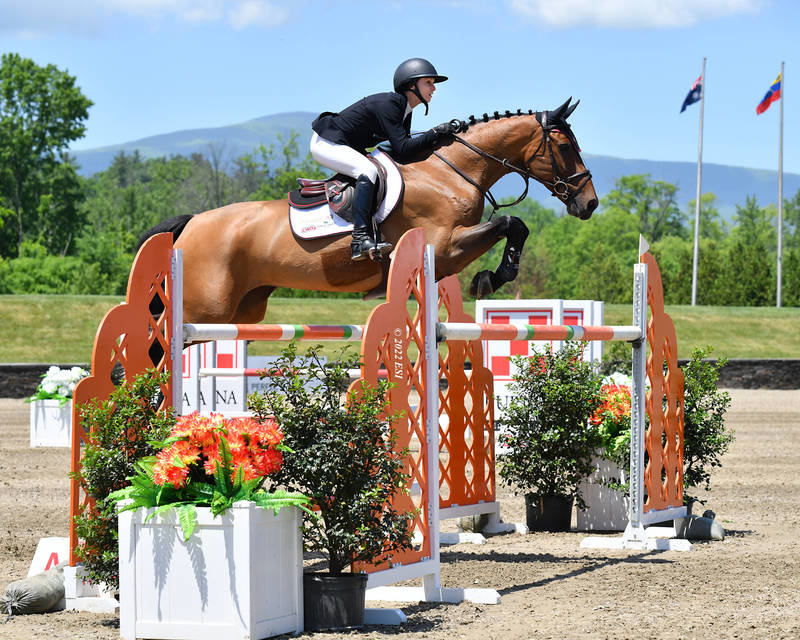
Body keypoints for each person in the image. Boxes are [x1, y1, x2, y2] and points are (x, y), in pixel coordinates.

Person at [310, 58, 462, 261]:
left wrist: (439, 139)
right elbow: (403, 147)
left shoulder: (404, 110)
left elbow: (402, 153)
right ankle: (360, 239)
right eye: (428, 82)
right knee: (368, 171)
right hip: (327, 142)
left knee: (378, 169)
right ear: (411, 85)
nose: (434, 88)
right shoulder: (391, 104)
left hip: (345, 144)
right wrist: (435, 132)